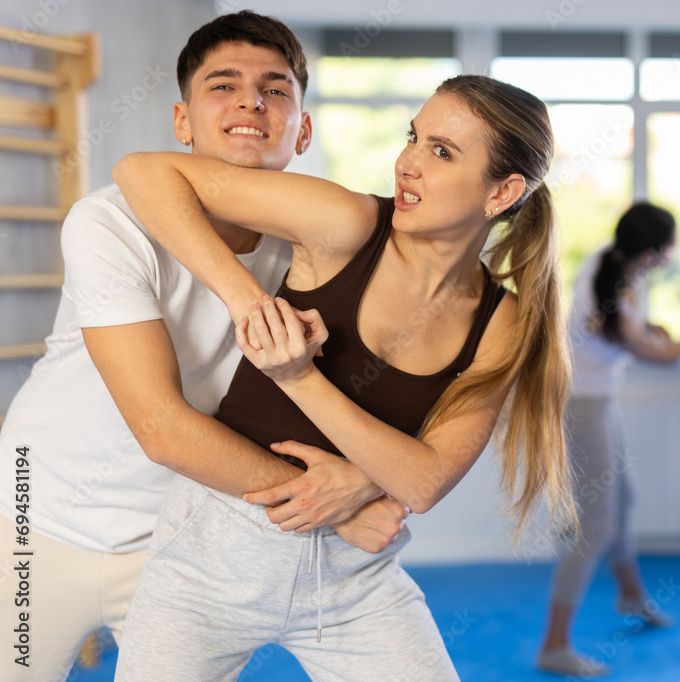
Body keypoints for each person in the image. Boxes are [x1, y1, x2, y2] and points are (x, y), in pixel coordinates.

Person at [110, 73, 575, 680]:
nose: (407, 162)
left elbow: (425, 480)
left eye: (441, 152)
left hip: (354, 580)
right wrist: (250, 303)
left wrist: (298, 377)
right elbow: (142, 172)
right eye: (414, 137)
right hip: (208, 561)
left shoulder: (501, 322)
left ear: (502, 191)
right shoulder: (347, 222)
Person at [0, 12, 400, 682]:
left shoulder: (322, 245)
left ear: (302, 130)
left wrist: (373, 478)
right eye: (225, 85)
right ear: (183, 124)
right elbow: (161, 428)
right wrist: (333, 502)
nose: (251, 100)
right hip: (35, 520)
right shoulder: (109, 220)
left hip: (178, 542)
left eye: (276, 89)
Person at [537, 203, 680, 678]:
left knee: (623, 501)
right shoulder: (614, 292)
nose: (668, 259)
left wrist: (647, 329)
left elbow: (612, 330)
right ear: (649, 253)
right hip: (581, 408)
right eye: (665, 251)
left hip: (591, 402)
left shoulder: (609, 261)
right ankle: (554, 644)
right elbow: (666, 359)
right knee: (597, 525)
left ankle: (630, 596)